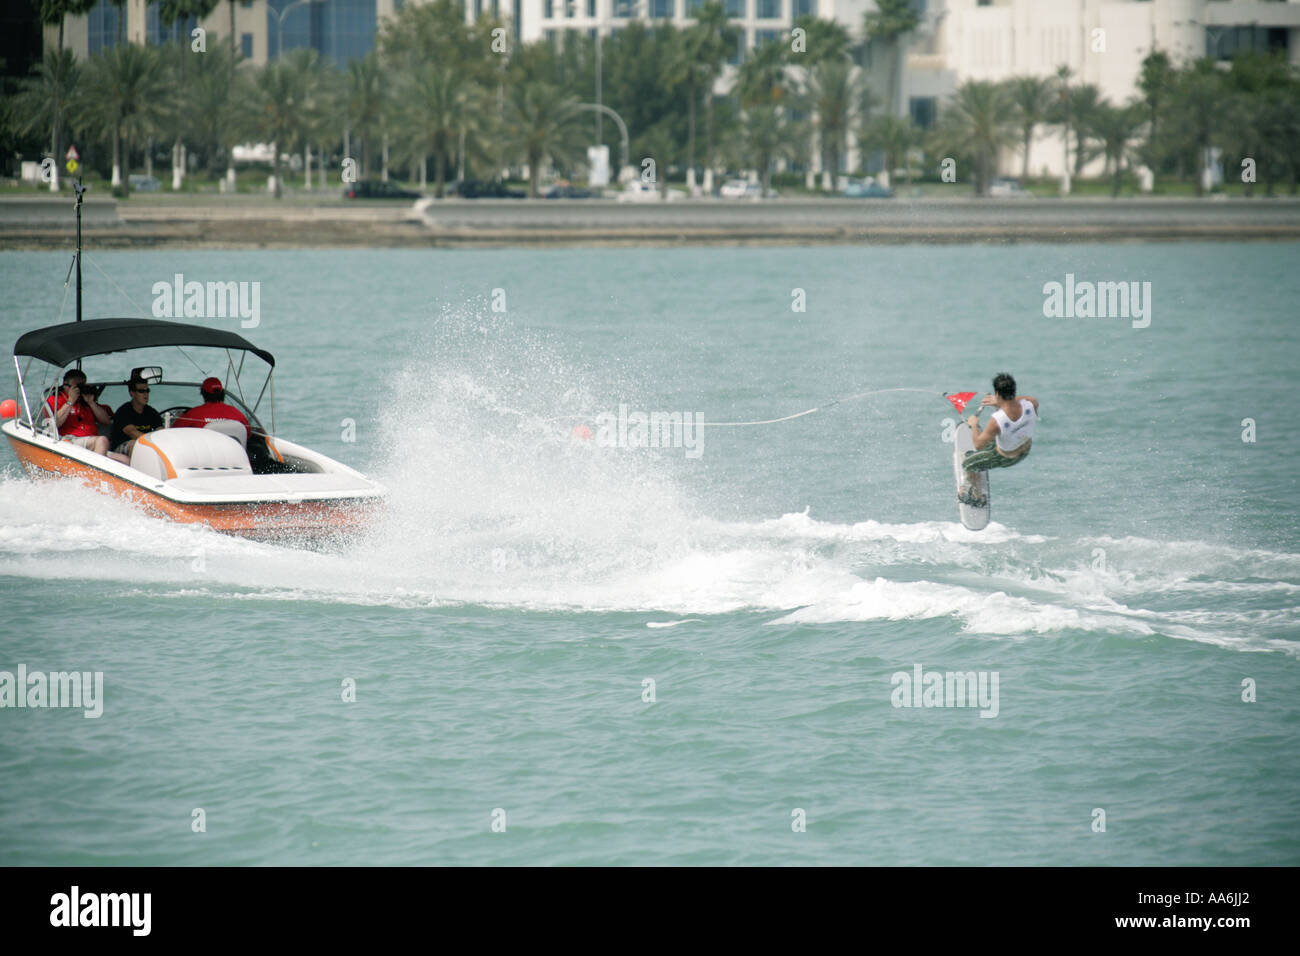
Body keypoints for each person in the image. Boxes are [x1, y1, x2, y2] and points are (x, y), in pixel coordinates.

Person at [959, 372, 1038, 505]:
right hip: (1025, 449)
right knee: (993, 439)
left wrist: (974, 425)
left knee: (968, 463)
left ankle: (977, 497)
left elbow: (978, 444)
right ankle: (980, 460)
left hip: (1007, 458)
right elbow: (1026, 399)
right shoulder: (1032, 403)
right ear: (1013, 391)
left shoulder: (997, 421)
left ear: (997, 394)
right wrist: (1000, 403)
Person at [46, 369, 120, 461]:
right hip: (70, 441)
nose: (79, 390)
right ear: (66, 385)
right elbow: (55, 423)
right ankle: (93, 469)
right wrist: (70, 401)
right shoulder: (55, 399)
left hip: (93, 443)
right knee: (102, 440)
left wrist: (91, 402)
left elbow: (106, 421)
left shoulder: (85, 402)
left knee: (125, 460)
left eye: (82, 386)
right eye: (77, 386)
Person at [175, 377, 250, 440]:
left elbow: (175, 433)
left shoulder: (193, 414)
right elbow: (248, 434)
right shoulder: (237, 413)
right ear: (222, 393)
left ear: (203, 393)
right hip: (234, 453)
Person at [110, 376, 164, 459]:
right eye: (141, 391)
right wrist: (153, 443)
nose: (146, 394)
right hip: (122, 447)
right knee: (135, 444)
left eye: (147, 391)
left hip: (146, 444)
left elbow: (160, 431)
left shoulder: (151, 412)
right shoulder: (123, 411)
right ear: (132, 393)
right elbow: (132, 432)